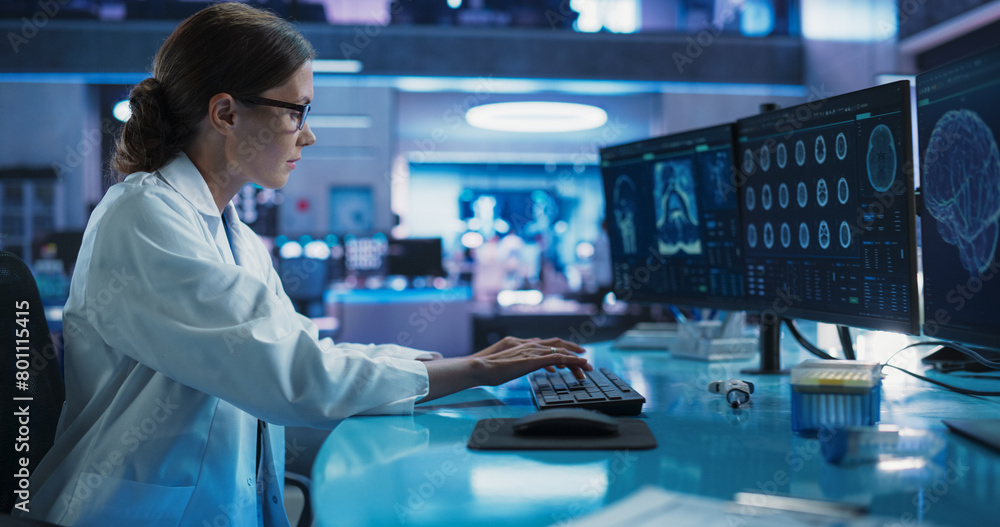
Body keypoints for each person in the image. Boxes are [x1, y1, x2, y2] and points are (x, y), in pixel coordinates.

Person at [19, 3, 589, 525]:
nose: (308, 135)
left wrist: (451, 363)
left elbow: (307, 354)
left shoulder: (233, 234)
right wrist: (469, 372)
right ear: (225, 113)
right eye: (297, 112)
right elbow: (294, 380)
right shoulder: (142, 215)